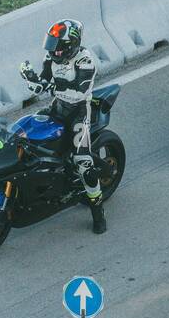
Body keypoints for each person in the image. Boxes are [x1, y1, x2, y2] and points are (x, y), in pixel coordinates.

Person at [19, 19, 107, 234]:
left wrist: (50, 86)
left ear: (71, 45)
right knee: (26, 132)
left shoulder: (85, 61)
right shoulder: (51, 58)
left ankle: (98, 212)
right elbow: (44, 82)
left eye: (58, 47)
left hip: (79, 112)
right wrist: (32, 79)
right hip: (57, 108)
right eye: (52, 45)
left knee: (83, 162)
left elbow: (78, 90)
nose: (54, 51)